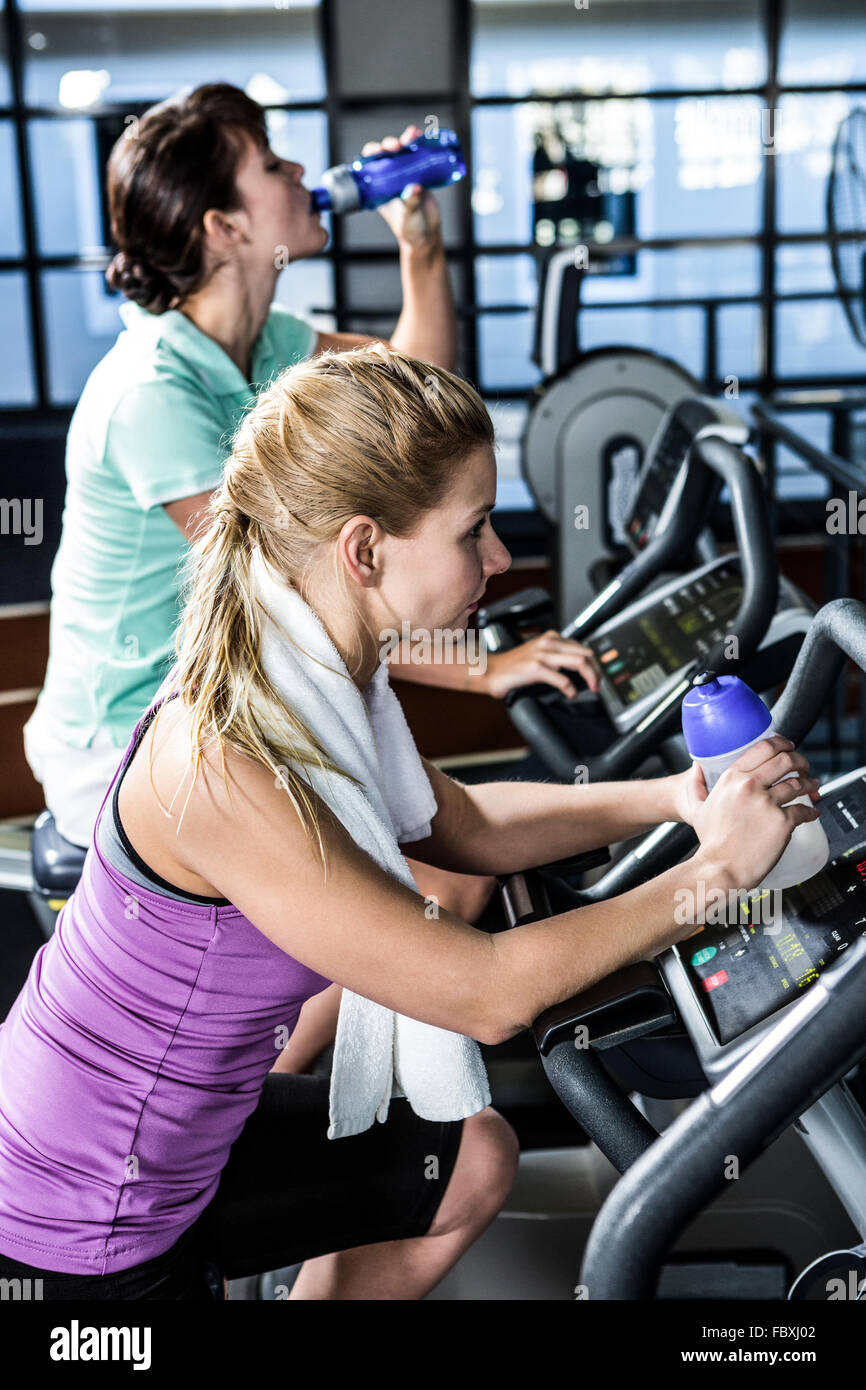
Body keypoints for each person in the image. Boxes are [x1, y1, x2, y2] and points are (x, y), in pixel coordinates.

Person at [0, 344, 823, 1300]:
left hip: (195, 1134)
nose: (501, 557)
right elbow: (483, 994)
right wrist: (712, 877)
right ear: (364, 549)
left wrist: (678, 800)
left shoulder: (317, 675)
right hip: (83, 1212)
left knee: (468, 1161)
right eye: (474, 530)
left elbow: (462, 823)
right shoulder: (226, 762)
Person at [23, 81, 599, 950]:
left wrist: (421, 251)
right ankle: (271, 1083)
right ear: (225, 227)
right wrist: (488, 670)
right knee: (444, 882)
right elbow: (290, 598)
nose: (302, 172)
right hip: (136, 733)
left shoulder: (269, 343)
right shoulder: (151, 394)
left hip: (236, 700)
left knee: (444, 864)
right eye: (270, 164)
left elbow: (415, 417)